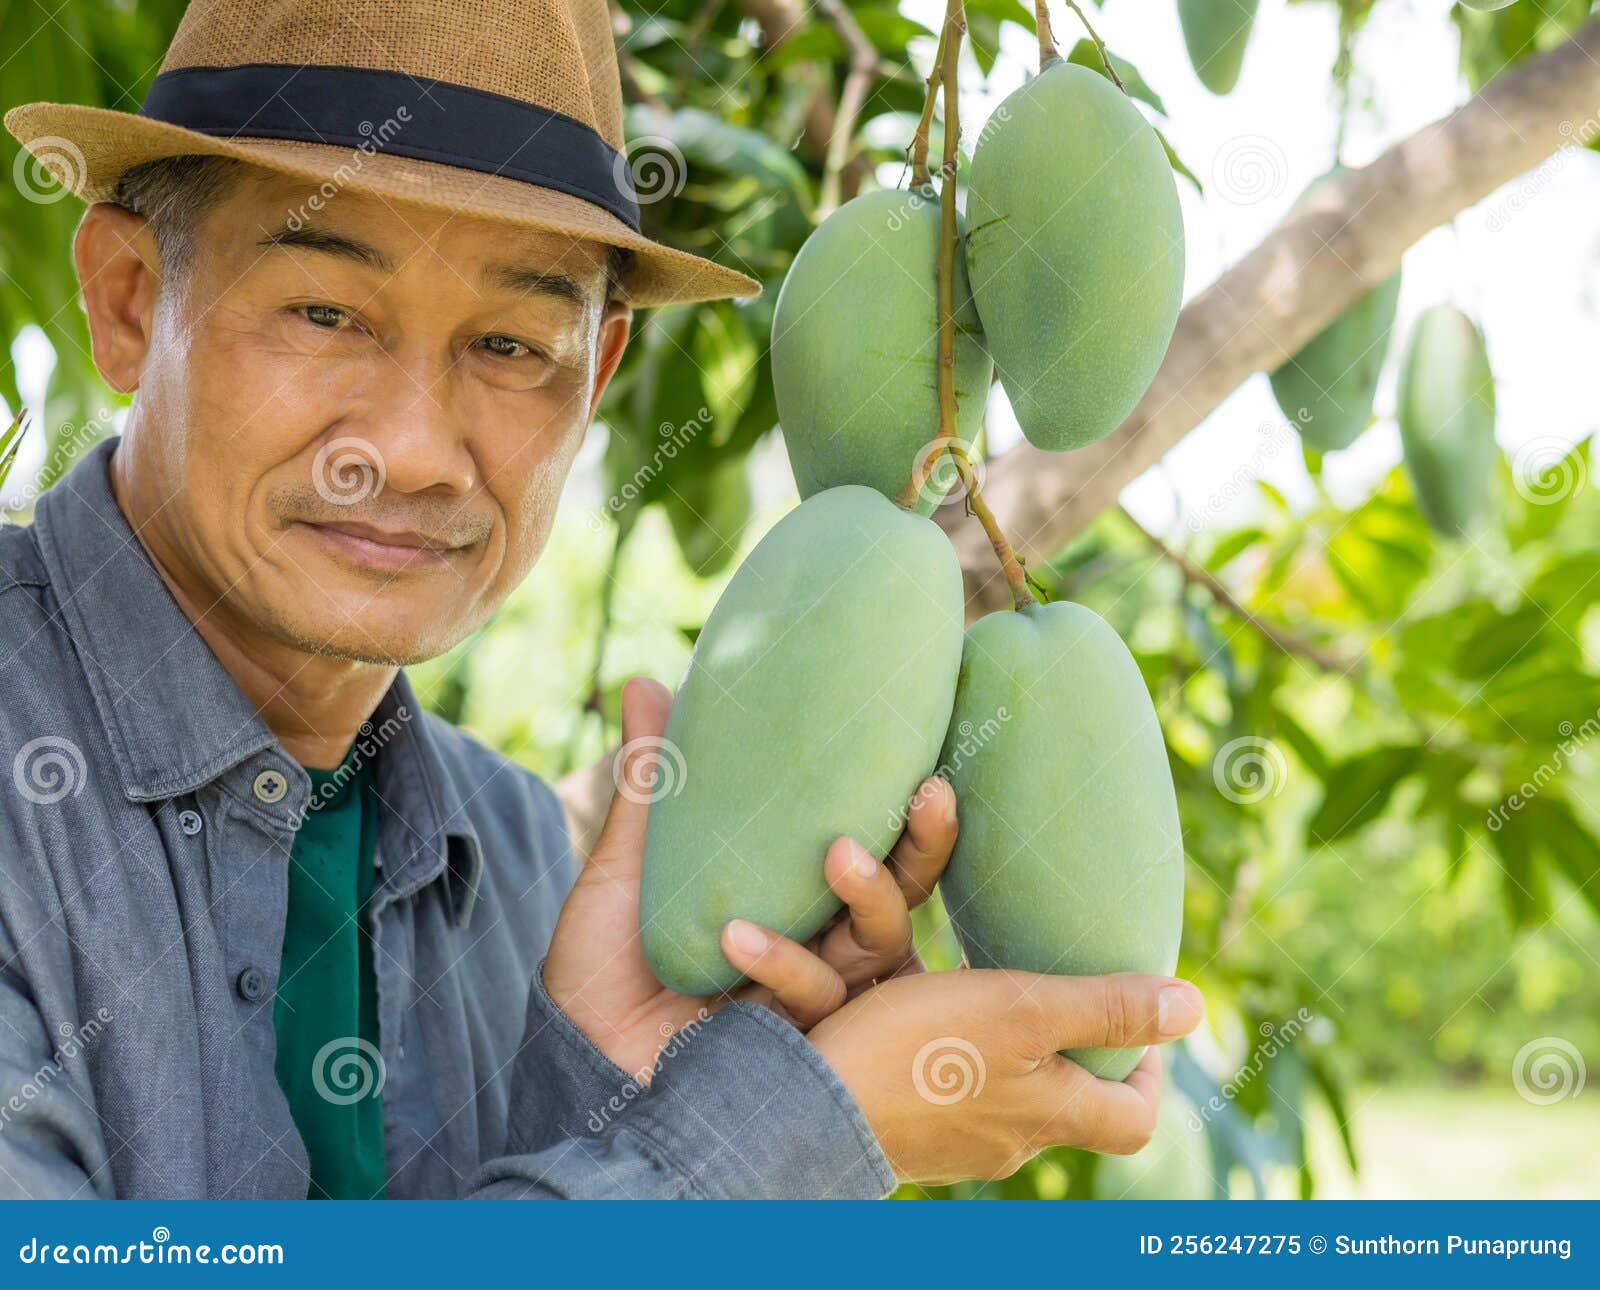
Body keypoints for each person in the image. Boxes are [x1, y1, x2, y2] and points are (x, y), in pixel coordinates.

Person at [0, 0, 1203, 1199]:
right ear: (127, 301)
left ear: (598, 379)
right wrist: (783, 1137)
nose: (416, 451)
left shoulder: (524, 865)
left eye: (512, 346)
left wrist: (612, 1078)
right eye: (325, 313)